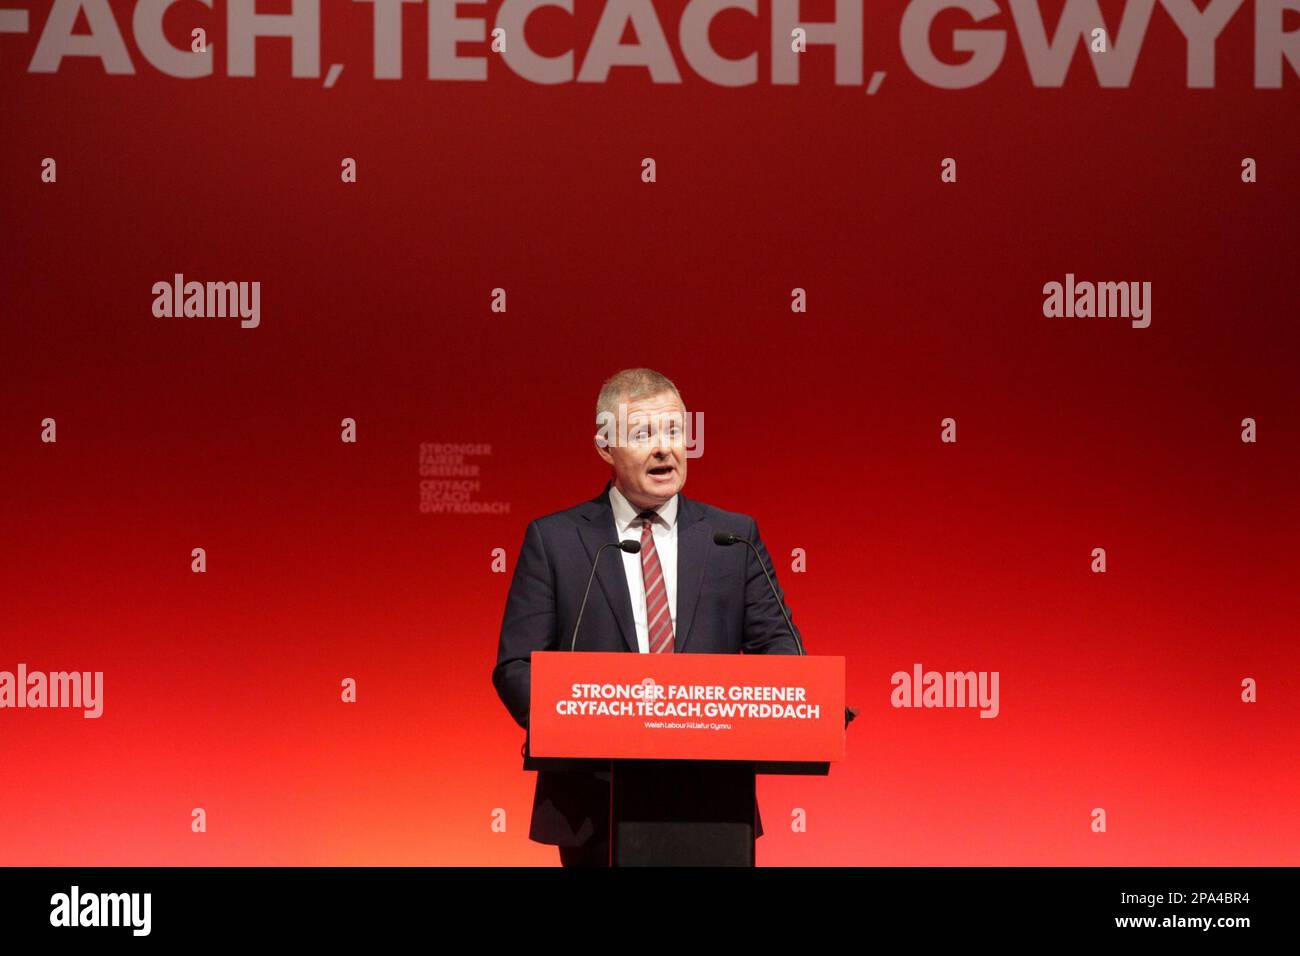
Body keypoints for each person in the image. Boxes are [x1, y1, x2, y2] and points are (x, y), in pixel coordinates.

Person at [491, 367, 805, 866]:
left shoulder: (734, 538)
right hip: (595, 803)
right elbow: (516, 668)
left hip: (715, 803)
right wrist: (580, 728)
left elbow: (784, 655)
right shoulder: (556, 541)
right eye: (643, 435)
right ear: (604, 447)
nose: (665, 448)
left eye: (676, 432)